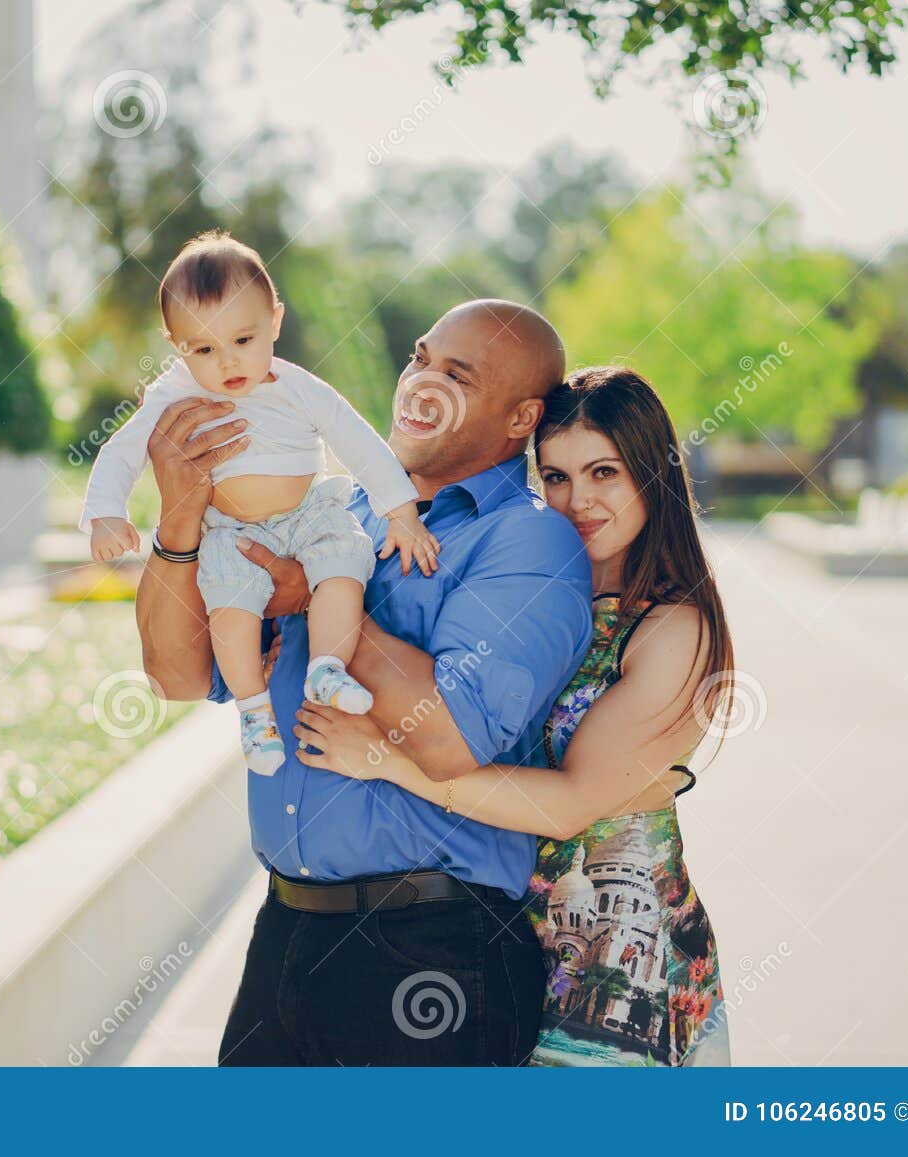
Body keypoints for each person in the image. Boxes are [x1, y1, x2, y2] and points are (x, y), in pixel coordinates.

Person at [137, 299, 592, 1065]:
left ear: (521, 418)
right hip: (284, 935)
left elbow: (450, 735)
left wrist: (315, 594)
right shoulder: (326, 508)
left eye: (457, 375)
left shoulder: (528, 540)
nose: (421, 383)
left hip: (431, 951)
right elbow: (175, 673)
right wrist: (180, 515)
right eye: (420, 358)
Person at [295, 366, 732, 1067]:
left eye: (604, 473)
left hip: (618, 961)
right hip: (509, 932)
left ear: (653, 474)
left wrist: (385, 759)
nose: (577, 500)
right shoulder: (541, 592)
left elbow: (568, 806)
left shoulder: (674, 630)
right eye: (555, 476)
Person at [81, 230, 438, 776]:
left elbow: (358, 442)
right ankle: (254, 712)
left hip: (308, 513)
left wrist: (402, 513)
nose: (227, 362)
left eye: (243, 339)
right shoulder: (174, 392)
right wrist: (106, 513)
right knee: (231, 607)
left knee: (342, 566)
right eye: (203, 349)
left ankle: (327, 666)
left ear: (274, 321)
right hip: (232, 530)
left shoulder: (298, 387)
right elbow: (122, 450)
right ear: (176, 346)